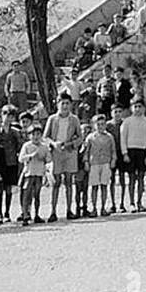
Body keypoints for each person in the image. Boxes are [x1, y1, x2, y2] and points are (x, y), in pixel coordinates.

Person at [44, 90, 82, 222]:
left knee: (69, 182)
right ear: (57, 104)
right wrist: (54, 144)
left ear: (71, 104)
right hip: (56, 152)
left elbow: (80, 137)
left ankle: (69, 210)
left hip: (70, 152)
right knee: (56, 183)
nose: (64, 106)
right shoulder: (52, 119)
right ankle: (53, 211)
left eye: (67, 103)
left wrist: (71, 144)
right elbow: (45, 137)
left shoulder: (74, 119)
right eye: (62, 103)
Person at [120, 101, 146, 211]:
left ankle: (139, 202)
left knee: (141, 177)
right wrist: (124, 153)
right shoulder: (127, 121)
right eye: (135, 106)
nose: (138, 109)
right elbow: (123, 138)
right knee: (131, 178)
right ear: (131, 108)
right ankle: (131, 203)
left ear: (144, 108)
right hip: (130, 151)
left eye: (140, 106)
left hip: (142, 151)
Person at [17, 120, 51, 225]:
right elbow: (21, 159)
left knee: (37, 194)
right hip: (29, 173)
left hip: (39, 173)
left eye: (38, 134)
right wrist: (30, 156)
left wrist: (43, 158)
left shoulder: (44, 147)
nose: (35, 137)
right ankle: (25, 214)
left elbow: (49, 159)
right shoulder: (27, 146)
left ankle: (37, 214)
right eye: (33, 134)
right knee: (26, 194)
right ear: (29, 136)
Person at [83, 114, 117, 217]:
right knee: (94, 187)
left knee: (104, 186)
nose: (100, 126)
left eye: (102, 124)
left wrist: (113, 160)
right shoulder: (90, 137)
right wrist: (86, 162)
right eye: (98, 124)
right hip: (94, 164)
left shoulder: (109, 137)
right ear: (94, 125)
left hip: (105, 163)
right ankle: (93, 208)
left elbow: (113, 150)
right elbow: (86, 151)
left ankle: (103, 208)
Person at [0, 106, 22, 221]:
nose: (8, 117)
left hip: (11, 163)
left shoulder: (15, 132)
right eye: (6, 114)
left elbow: (20, 146)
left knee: (9, 189)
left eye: (11, 115)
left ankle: (7, 212)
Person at [106, 104, 129, 214]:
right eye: (115, 111)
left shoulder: (125, 123)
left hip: (122, 152)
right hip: (111, 154)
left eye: (120, 111)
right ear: (111, 113)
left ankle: (122, 203)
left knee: (122, 178)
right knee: (111, 180)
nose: (117, 114)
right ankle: (113, 203)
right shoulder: (108, 125)